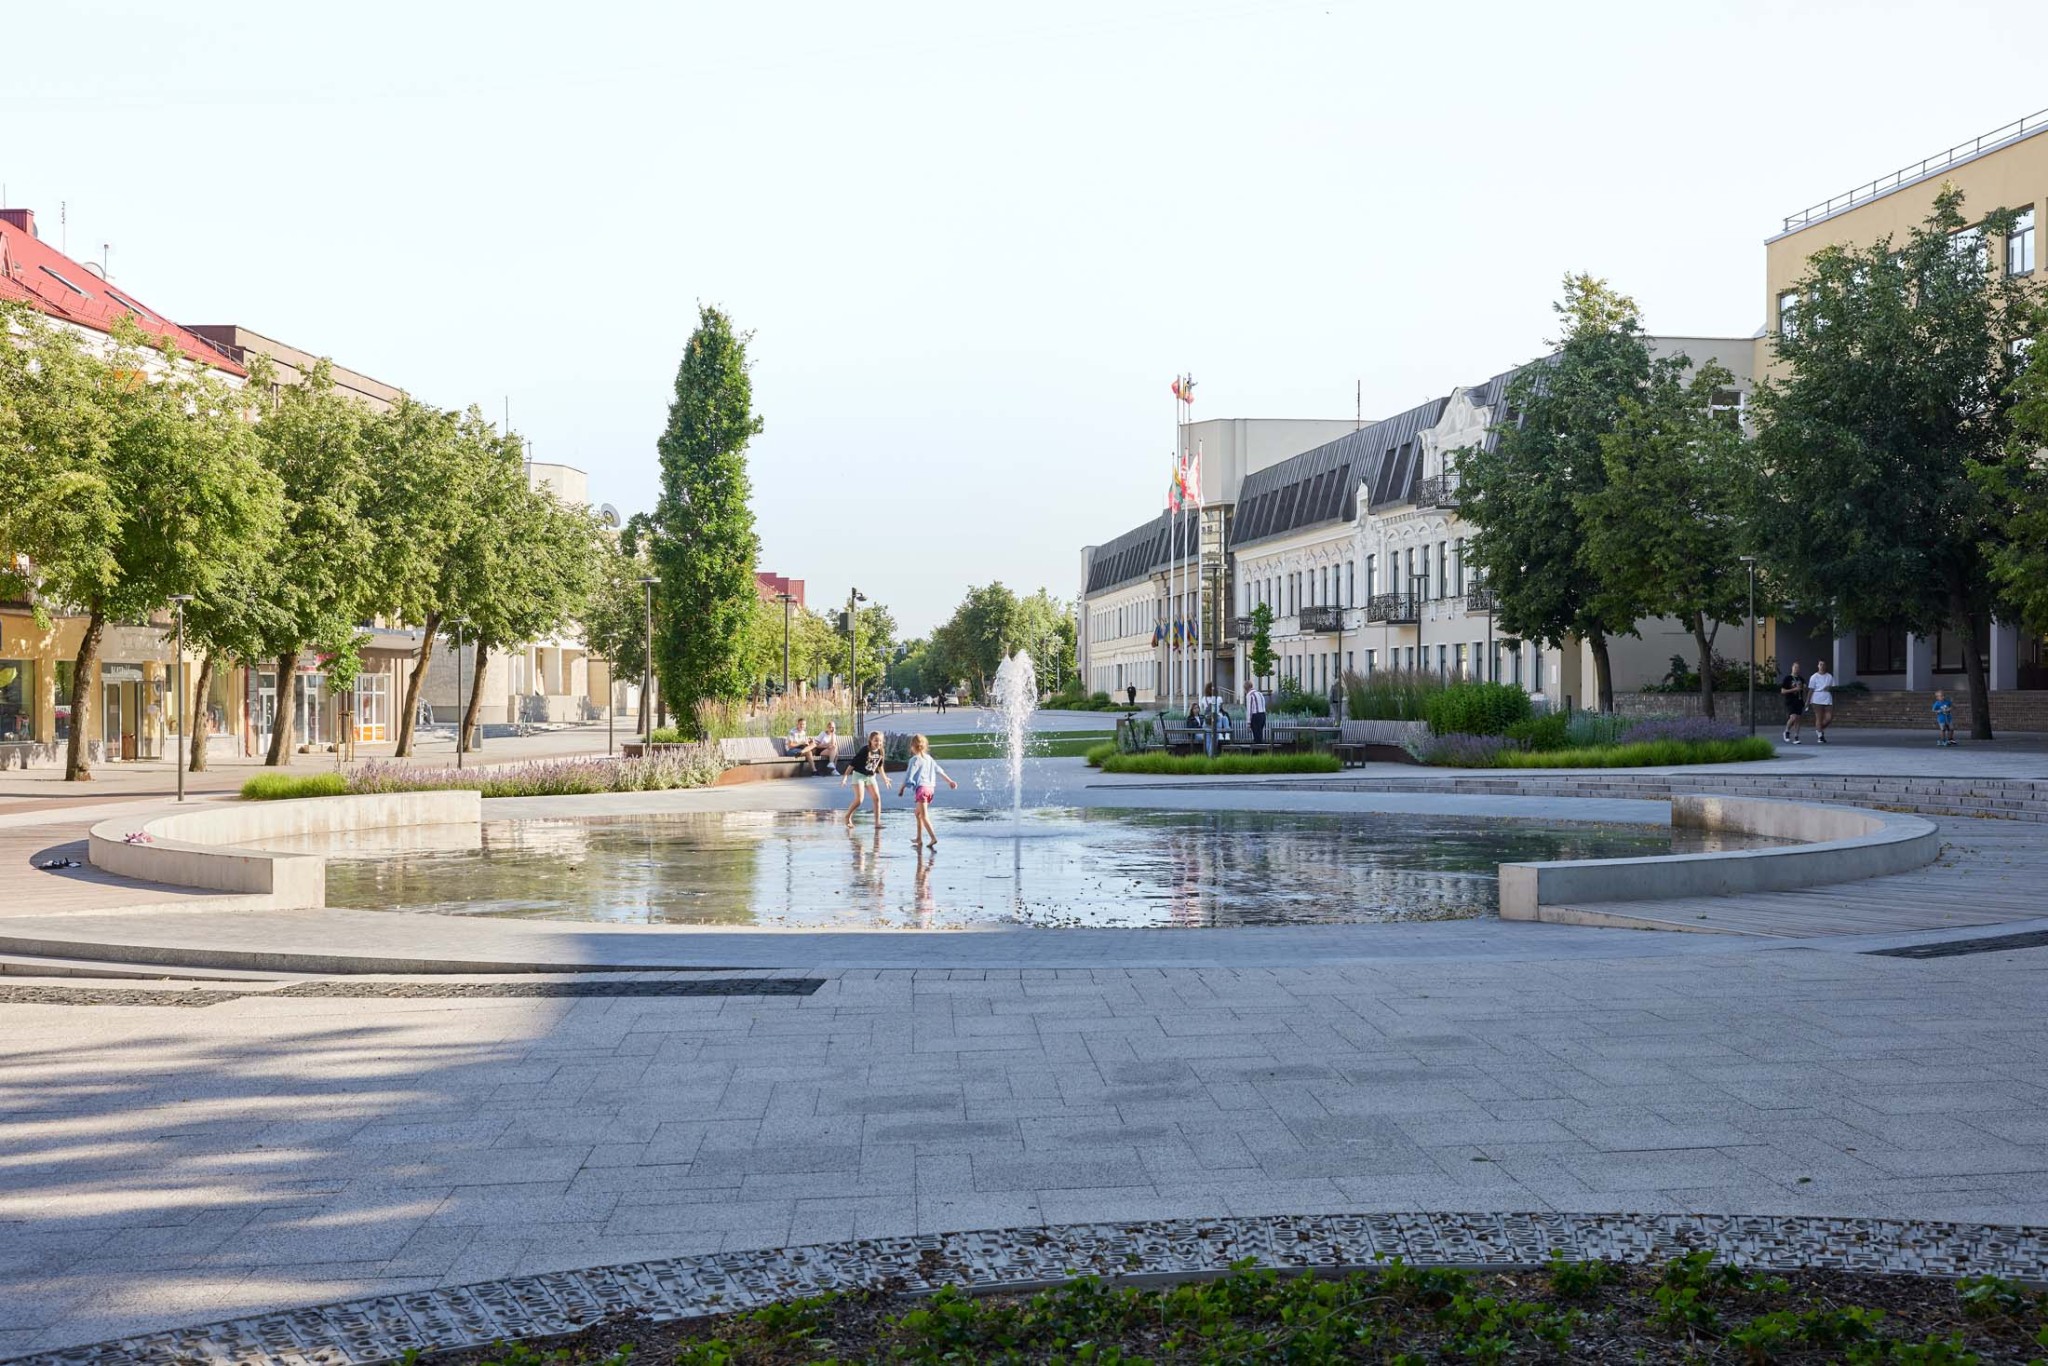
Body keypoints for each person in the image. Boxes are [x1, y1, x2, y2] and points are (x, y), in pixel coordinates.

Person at [897, 734, 957, 848]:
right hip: (930, 789)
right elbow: (939, 770)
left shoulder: (914, 760)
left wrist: (902, 788)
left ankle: (933, 838)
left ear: (912, 747)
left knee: (924, 816)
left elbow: (908, 775)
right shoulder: (928, 758)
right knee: (917, 813)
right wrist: (950, 781)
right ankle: (919, 838)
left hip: (922, 789)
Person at [842, 730, 889, 824]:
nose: (878, 743)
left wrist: (885, 778)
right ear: (870, 740)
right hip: (859, 775)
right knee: (859, 800)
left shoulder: (880, 751)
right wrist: (845, 777)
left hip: (870, 777)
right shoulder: (865, 750)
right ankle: (847, 816)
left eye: (880, 741)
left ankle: (877, 823)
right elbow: (852, 764)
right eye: (876, 740)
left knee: (877, 798)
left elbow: (880, 767)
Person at [1807, 659, 1837, 744]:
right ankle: (1820, 736)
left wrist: (1829, 688)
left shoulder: (1829, 676)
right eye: (1820, 664)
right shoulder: (1814, 677)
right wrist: (1807, 701)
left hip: (1827, 697)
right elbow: (1811, 690)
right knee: (1819, 717)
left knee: (1829, 718)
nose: (1822, 666)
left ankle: (1819, 729)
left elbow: (1833, 687)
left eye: (1823, 664)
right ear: (1818, 666)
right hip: (1817, 698)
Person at [1779, 667, 1806, 745]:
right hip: (1790, 701)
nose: (1796, 669)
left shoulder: (1801, 678)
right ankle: (1786, 731)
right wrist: (1794, 690)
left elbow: (1804, 689)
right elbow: (1783, 691)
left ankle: (1796, 737)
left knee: (1798, 718)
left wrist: (1804, 689)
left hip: (1799, 700)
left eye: (1798, 668)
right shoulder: (1787, 678)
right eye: (1795, 667)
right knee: (1793, 717)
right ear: (1792, 668)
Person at [1244, 680, 1268, 746]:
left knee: (1256, 735)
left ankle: (1257, 751)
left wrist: (1248, 723)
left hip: (1256, 715)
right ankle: (1260, 751)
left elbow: (1249, 709)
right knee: (1259, 734)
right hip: (1263, 715)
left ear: (1246, 688)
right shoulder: (1259, 693)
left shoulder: (1250, 695)